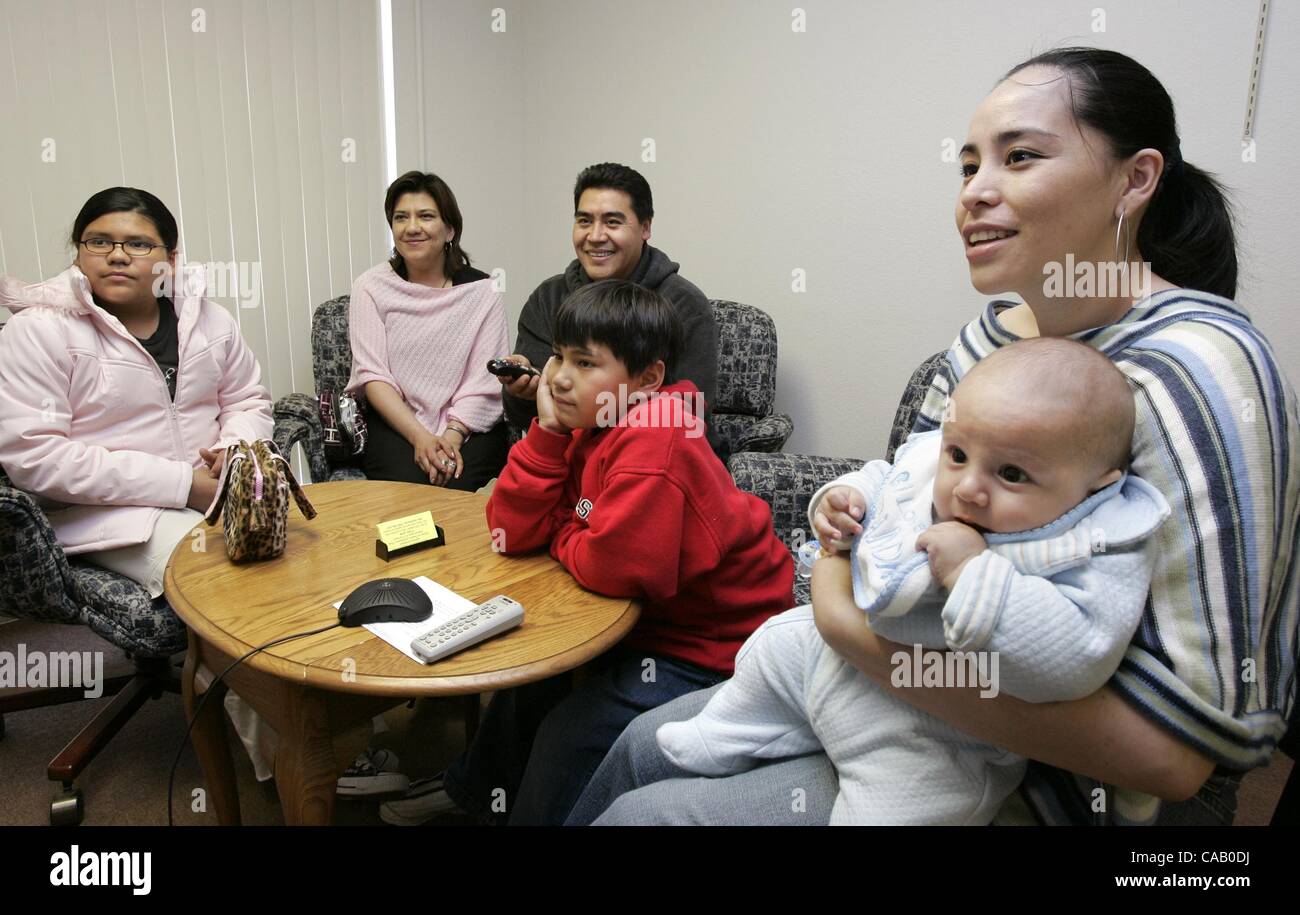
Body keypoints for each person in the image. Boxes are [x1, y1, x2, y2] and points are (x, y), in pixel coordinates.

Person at [568, 47, 1299, 827]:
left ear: (1136, 178)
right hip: (881, 684)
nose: (975, 193)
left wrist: (852, 633)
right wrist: (842, 568)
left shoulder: (1203, 373)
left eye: (1020, 157)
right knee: (641, 744)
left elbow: (1178, 757)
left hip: (1037, 776)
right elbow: (892, 502)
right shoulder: (989, 338)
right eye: (968, 166)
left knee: (646, 814)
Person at [657, 338, 1171, 824]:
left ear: (1096, 483)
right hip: (838, 662)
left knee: (900, 807)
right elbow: (890, 479)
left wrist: (973, 573)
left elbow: (1074, 656)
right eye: (958, 456)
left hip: (938, 735)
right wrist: (842, 499)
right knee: (776, 648)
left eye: (1012, 475)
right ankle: (727, 732)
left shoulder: (1095, 543)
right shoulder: (946, 456)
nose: (968, 489)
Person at [377, 280, 792, 825]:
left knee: (572, 731)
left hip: (713, 647)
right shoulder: (589, 420)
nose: (561, 378)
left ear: (646, 381)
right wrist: (546, 432)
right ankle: (476, 794)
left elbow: (612, 569)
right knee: (528, 681)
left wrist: (564, 532)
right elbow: (510, 528)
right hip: (643, 621)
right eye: (559, 357)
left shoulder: (656, 443)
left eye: (585, 363)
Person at [0, 186, 272, 597]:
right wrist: (184, 485)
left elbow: (246, 399)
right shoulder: (39, 330)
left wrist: (232, 456)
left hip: (214, 492)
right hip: (109, 514)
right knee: (224, 578)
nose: (117, 255)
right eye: (99, 241)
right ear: (78, 253)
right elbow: (35, 456)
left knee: (303, 552)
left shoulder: (212, 321)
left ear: (171, 259)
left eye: (139, 244)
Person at [493, 163, 724, 459]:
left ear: (645, 227)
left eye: (613, 222)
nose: (595, 236)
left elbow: (690, 417)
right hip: (562, 461)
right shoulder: (548, 298)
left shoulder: (683, 305)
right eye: (584, 221)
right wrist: (523, 392)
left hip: (651, 462)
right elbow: (527, 418)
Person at [346, 170, 509, 491]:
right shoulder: (370, 287)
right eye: (400, 218)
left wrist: (451, 434)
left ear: (450, 229)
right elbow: (373, 376)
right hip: (397, 423)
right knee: (413, 489)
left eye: (426, 216)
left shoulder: (483, 291)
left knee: (457, 484)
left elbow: (484, 380)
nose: (412, 228)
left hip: (469, 425)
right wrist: (420, 437)